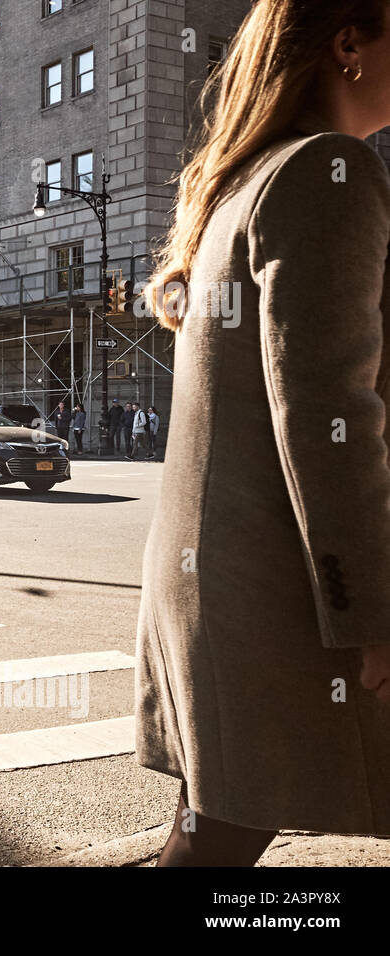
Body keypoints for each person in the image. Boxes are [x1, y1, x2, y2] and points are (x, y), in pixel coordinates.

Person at [138, 0, 390, 867]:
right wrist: (375, 613)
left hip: (222, 589)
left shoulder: (243, 183)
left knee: (209, 841)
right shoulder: (332, 171)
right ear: (351, 43)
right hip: (283, 599)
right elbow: (329, 417)